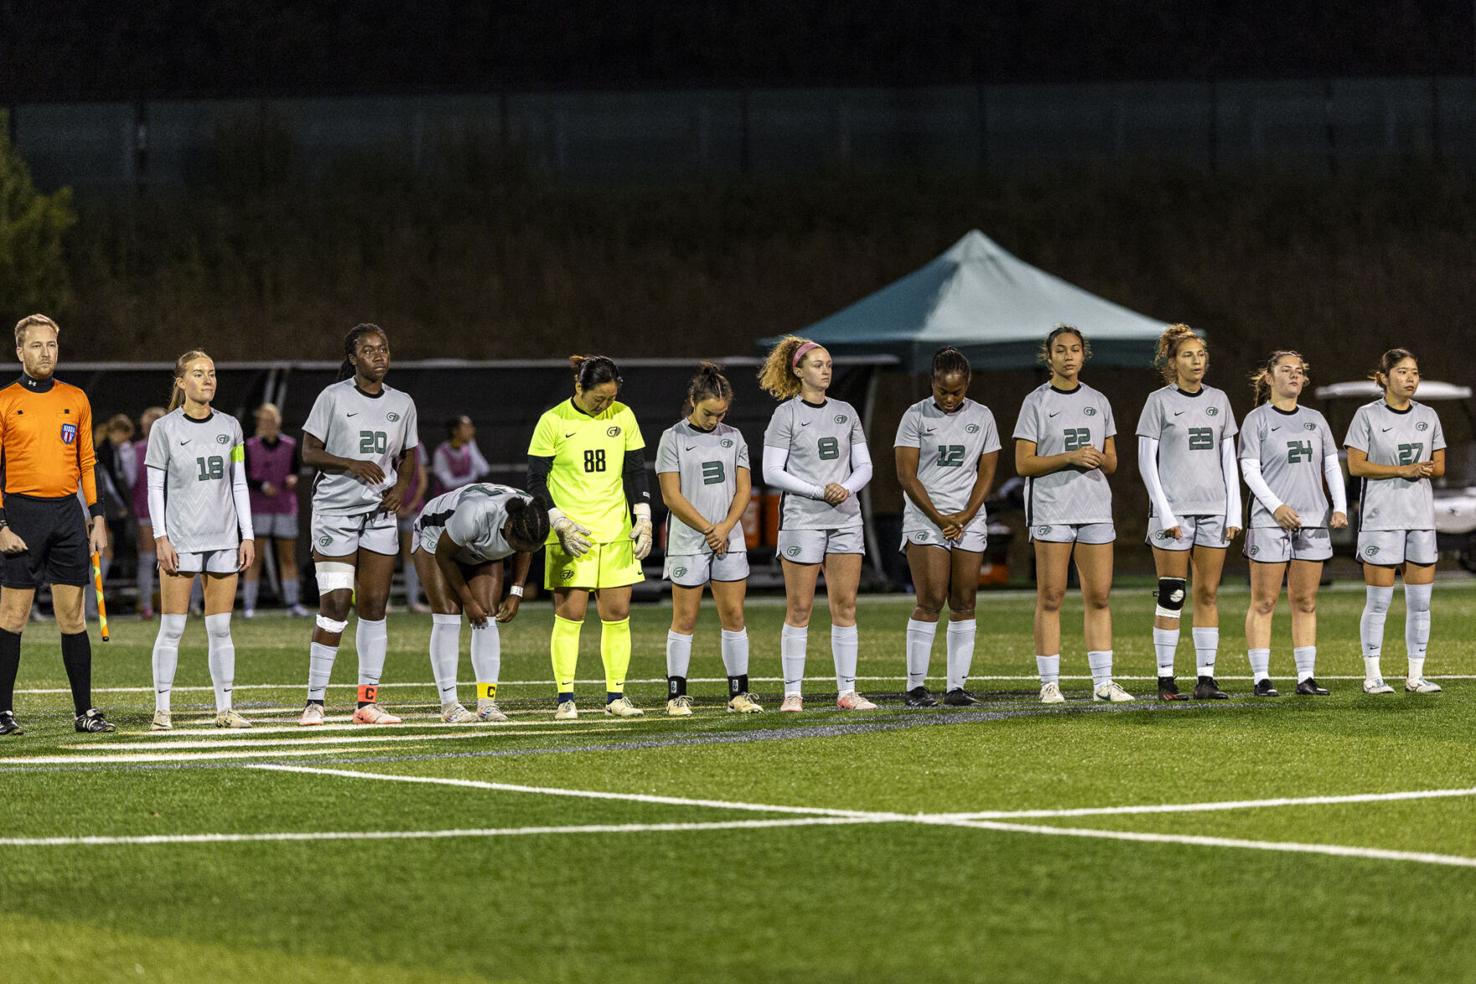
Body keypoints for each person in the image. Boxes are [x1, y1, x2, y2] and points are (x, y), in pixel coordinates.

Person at [298, 323, 420, 726]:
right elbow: (309, 453)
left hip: (379, 519)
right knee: (335, 604)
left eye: (383, 348)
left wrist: (402, 486)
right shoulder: (332, 397)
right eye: (369, 350)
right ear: (353, 358)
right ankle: (315, 702)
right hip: (335, 513)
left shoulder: (402, 402)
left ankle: (367, 702)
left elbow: (409, 454)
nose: (379, 355)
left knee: (373, 607)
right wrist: (350, 463)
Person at [0, 314, 114, 736]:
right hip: (20, 515)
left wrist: (97, 516)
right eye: (36, 346)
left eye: (51, 345)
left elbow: (88, 462)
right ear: (19, 352)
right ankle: (2, 713)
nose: (45, 352)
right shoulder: (5, 401)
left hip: (68, 515)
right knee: (12, 617)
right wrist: (0, 525)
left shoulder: (77, 398)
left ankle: (85, 712)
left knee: (73, 617)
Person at [527, 355, 652, 720]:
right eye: (599, 399)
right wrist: (558, 522)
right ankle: (565, 698)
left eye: (611, 398)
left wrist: (642, 516)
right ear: (579, 388)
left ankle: (616, 696)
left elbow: (636, 471)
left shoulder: (623, 416)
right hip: (572, 533)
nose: (606, 405)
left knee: (618, 613)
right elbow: (535, 480)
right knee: (571, 614)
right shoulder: (553, 421)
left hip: (614, 531)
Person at [1013, 325, 1131, 704]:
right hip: (1052, 508)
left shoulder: (1098, 400)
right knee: (1051, 595)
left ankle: (1103, 683)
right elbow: (1023, 464)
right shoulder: (1036, 402)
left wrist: (1097, 458)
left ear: (1084, 355)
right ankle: (1050, 683)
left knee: (1098, 596)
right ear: (1048, 357)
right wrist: (1069, 457)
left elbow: (1112, 462)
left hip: (1094, 508)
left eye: (1075, 350)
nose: (1068, 356)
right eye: (1060, 350)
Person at [759, 336, 875, 712]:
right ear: (798, 371)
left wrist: (845, 489)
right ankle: (793, 692)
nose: (825, 370)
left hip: (844, 519)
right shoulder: (786, 414)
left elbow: (865, 466)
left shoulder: (846, 411)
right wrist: (817, 491)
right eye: (817, 364)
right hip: (802, 520)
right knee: (799, 607)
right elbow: (771, 471)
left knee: (845, 605)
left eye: (828, 364)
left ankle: (848, 692)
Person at [145, 350, 256, 730]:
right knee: (172, 628)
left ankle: (225, 709)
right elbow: (154, 487)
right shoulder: (164, 429)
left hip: (224, 540)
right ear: (181, 382)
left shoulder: (232, 426)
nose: (207, 379)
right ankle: (162, 710)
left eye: (211, 373)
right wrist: (161, 537)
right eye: (198, 373)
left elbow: (238, 482)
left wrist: (247, 535)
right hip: (181, 540)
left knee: (221, 628)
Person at [1136, 323, 1241, 700]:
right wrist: (1166, 515)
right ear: (1172, 361)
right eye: (1188, 355)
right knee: (1173, 594)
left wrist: (1234, 512)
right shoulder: (1158, 402)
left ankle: (1206, 679)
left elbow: (1229, 459)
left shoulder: (1220, 400)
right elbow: (1147, 462)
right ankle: (1165, 678)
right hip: (1175, 514)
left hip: (1214, 511)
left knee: (1208, 593)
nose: (1196, 361)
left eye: (1201, 355)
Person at [894, 346, 1000, 707]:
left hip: (968, 518)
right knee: (931, 599)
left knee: (965, 601)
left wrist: (967, 515)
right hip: (927, 517)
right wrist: (940, 518)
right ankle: (915, 688)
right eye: (943, 391)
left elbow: (987, 472)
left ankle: (957, 687)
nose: (951, 398)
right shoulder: (915, 416)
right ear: (932, 383)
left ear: (968, 383)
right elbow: (906, 475)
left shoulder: (983, 416)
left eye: (957, 391)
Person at [1239, 351, 1346, 697]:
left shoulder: (1316, 419)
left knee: (1306, 601)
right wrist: (1276, 507)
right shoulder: (1257, 420)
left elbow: (1331, 465)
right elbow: (1249, 471)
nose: (1294, 376)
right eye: (1286, 370)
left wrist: (1339, 507)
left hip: (1312, 520)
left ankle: (1306, 676)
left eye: (1298, 371)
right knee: (1265, 601)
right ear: (1269, 377)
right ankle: (1261, 678)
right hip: (1270, 521)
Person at [656, 363, 761, 716]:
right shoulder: (673, 438)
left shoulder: (735, 438)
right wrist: (708, 529)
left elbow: (743, 488)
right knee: (684, 618)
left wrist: (726, 526)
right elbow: (672, 496)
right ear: (692, 401)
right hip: (689, 541)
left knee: (733, 615)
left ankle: (739, 692)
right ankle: (676, 696)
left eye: (721, 414)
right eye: (707, 413)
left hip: (727, 539)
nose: (714, 420)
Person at [1346, 348, 1446, 696]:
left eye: (1415, 373)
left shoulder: (1429, 415)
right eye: (1402, 372)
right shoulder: (1366, 415)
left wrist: (1423, 467)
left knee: (1420, 602)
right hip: (1380, 520)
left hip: (1419, 519)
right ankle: (1372, 675)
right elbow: (1356, 465)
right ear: (1384, 378)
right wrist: (1400, 470)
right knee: (1379, 601)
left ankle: (1415, 675)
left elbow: (1440, 465)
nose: (1410, 379)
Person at [412, 482, 548, 723]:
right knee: (448, 614)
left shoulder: (530, 518)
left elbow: (525, 549)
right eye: (517, 543)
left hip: (478, 545)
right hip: (437, 537)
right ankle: (449, 705)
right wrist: (467, 600)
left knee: (487, 614)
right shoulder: (475, 513)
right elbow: (445, 555)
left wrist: (516, 592)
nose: (522, 548)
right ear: (508, 526)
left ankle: (487, 703)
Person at [242, 402, 309, 618]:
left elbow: (295, 470)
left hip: (284, 506)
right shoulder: (248, 446)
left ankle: (292, 603)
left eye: (272, 420)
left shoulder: (290, 444)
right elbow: (243, 475)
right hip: (259, 507)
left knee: (287, 557)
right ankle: (248, 606)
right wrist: (261, 486)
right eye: (264, 420)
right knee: (255, 558)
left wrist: (293, 479)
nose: (268, 424)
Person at [132, 406, 166, 618]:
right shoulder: (135, 450)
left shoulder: (173, 447)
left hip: (172, 511)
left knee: (174, 559)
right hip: (145, 511)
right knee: (147, 559)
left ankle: (182, 604)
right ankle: (146, 604)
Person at [396, 443, 431, 612]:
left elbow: (422, 481)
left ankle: (413, 601)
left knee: (411, 555)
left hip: (412, 509)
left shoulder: (418, 447)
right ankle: (381, 602)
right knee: (382, 556)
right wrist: (394, 505)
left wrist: (411, 506)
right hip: (386, 508)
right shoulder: (387, 441)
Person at [431, 415, 491, 496]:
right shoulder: (441, 452)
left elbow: (484, 470)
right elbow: (448, 483)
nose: (472, 430)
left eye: (471, 427)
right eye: (466, 427)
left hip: (466, 499)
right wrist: (471, 477)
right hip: (447, 501)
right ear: (455, 431)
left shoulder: (469, 449)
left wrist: (471, 443)